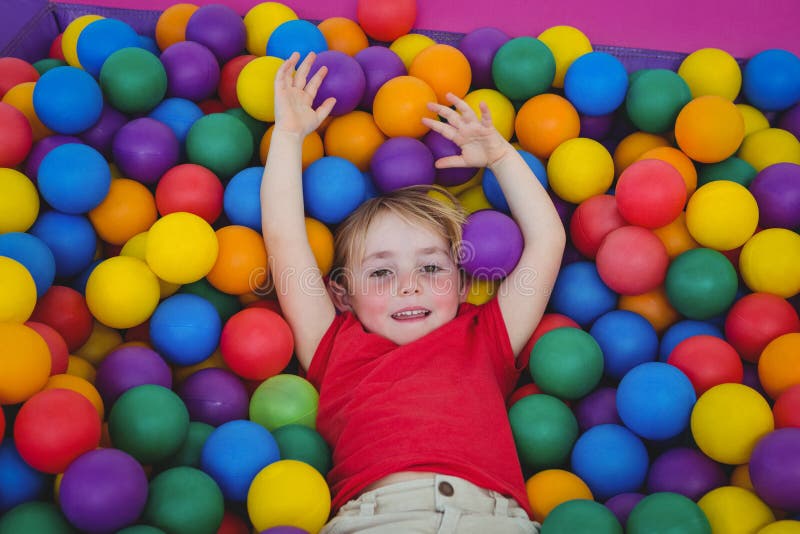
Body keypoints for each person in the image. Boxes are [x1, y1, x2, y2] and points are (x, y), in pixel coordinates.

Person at [261, 51, 566, 534]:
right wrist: (288, 135)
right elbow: (285, 241)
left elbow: (548, 241)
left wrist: (501, 157)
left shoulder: (484, 336)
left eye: (430, 266)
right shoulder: (334, 345)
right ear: (342, 294)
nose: (409, 284)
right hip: (379, 518)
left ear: (462, 285)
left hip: (493, 520)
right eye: (381, 273)